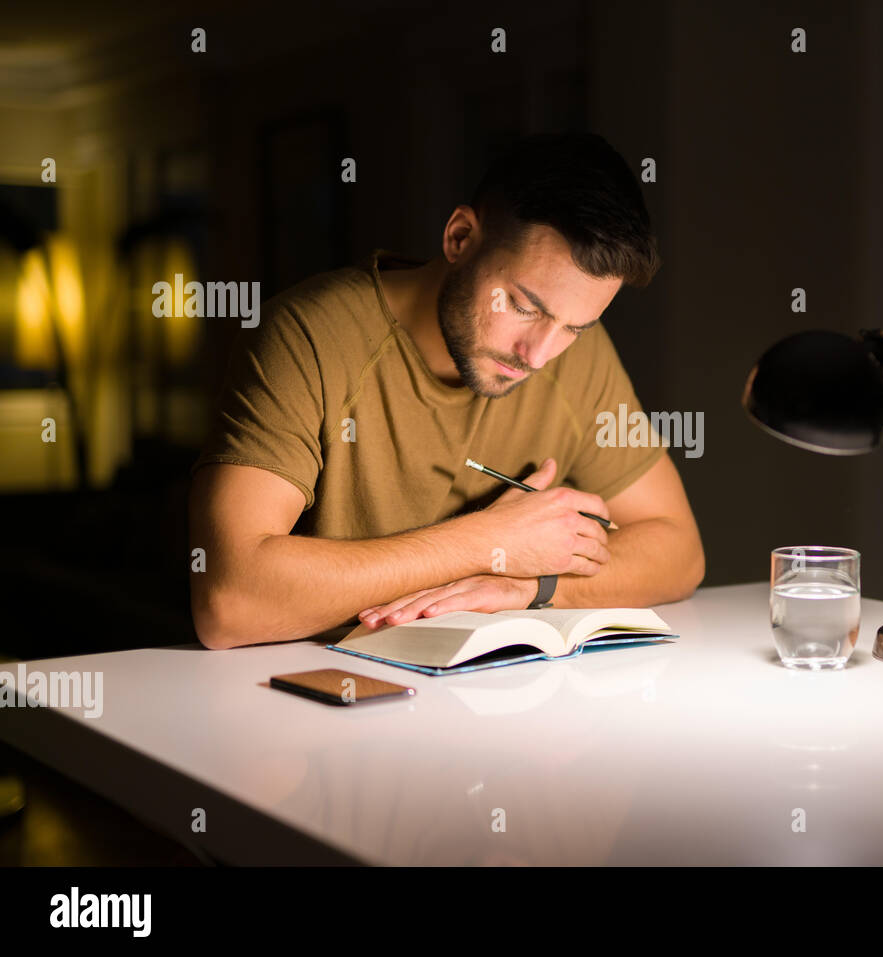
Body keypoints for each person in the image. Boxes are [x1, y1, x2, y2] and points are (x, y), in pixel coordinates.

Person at [189, 132, 704, 649]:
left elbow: (680, 550)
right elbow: (230, 601)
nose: (539, 354)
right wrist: (491, 540)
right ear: (460, 237)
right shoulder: (307, 335)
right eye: (525, 307)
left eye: (575, 327)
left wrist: (529, 585)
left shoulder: (574, 353)